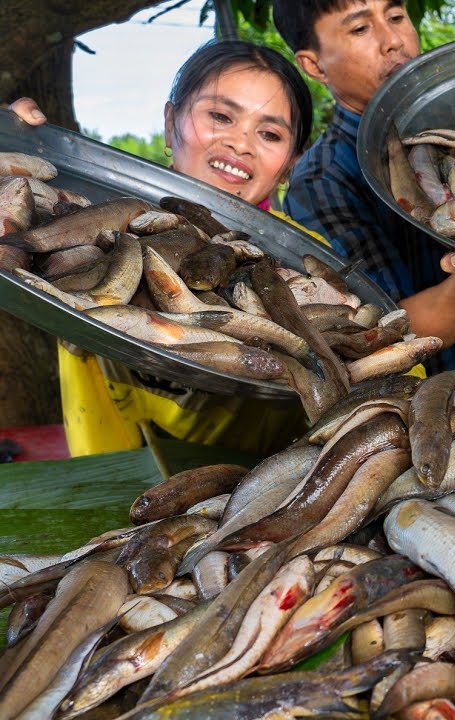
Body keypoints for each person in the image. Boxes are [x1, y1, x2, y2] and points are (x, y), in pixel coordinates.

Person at [9, 40, 316, 456]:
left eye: (269, 133)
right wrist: (10, 142)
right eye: (221, 116)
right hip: (104, 473)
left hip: (235, 495)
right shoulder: (86, 211)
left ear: (290, 165)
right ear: (171, 123)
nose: (241, 143)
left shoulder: (307, 261)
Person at [270, 0, 455, 374]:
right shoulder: (321, 182)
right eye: (360, 29)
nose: (393, 40)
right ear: (314, 65)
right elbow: (386, 328)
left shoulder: (454, 133)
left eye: (396, 17)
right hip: (402, 417)